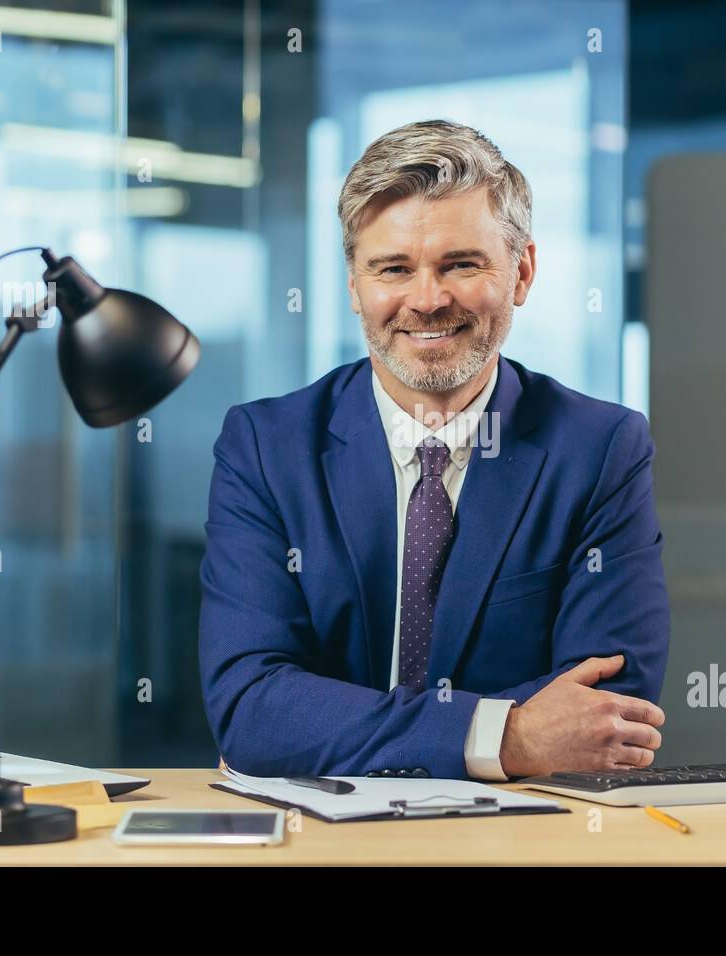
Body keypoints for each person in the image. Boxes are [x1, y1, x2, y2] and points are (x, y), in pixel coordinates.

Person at [199, 119, 669, 779]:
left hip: (521, 841)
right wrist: (506, 738)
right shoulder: (266, 449)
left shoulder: (599, 450)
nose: (427, 299)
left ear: (521, 272)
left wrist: (319, 725)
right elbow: (251, 711)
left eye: (461, 264)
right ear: (355, 286)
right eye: (393, 268)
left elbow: (612, 720)